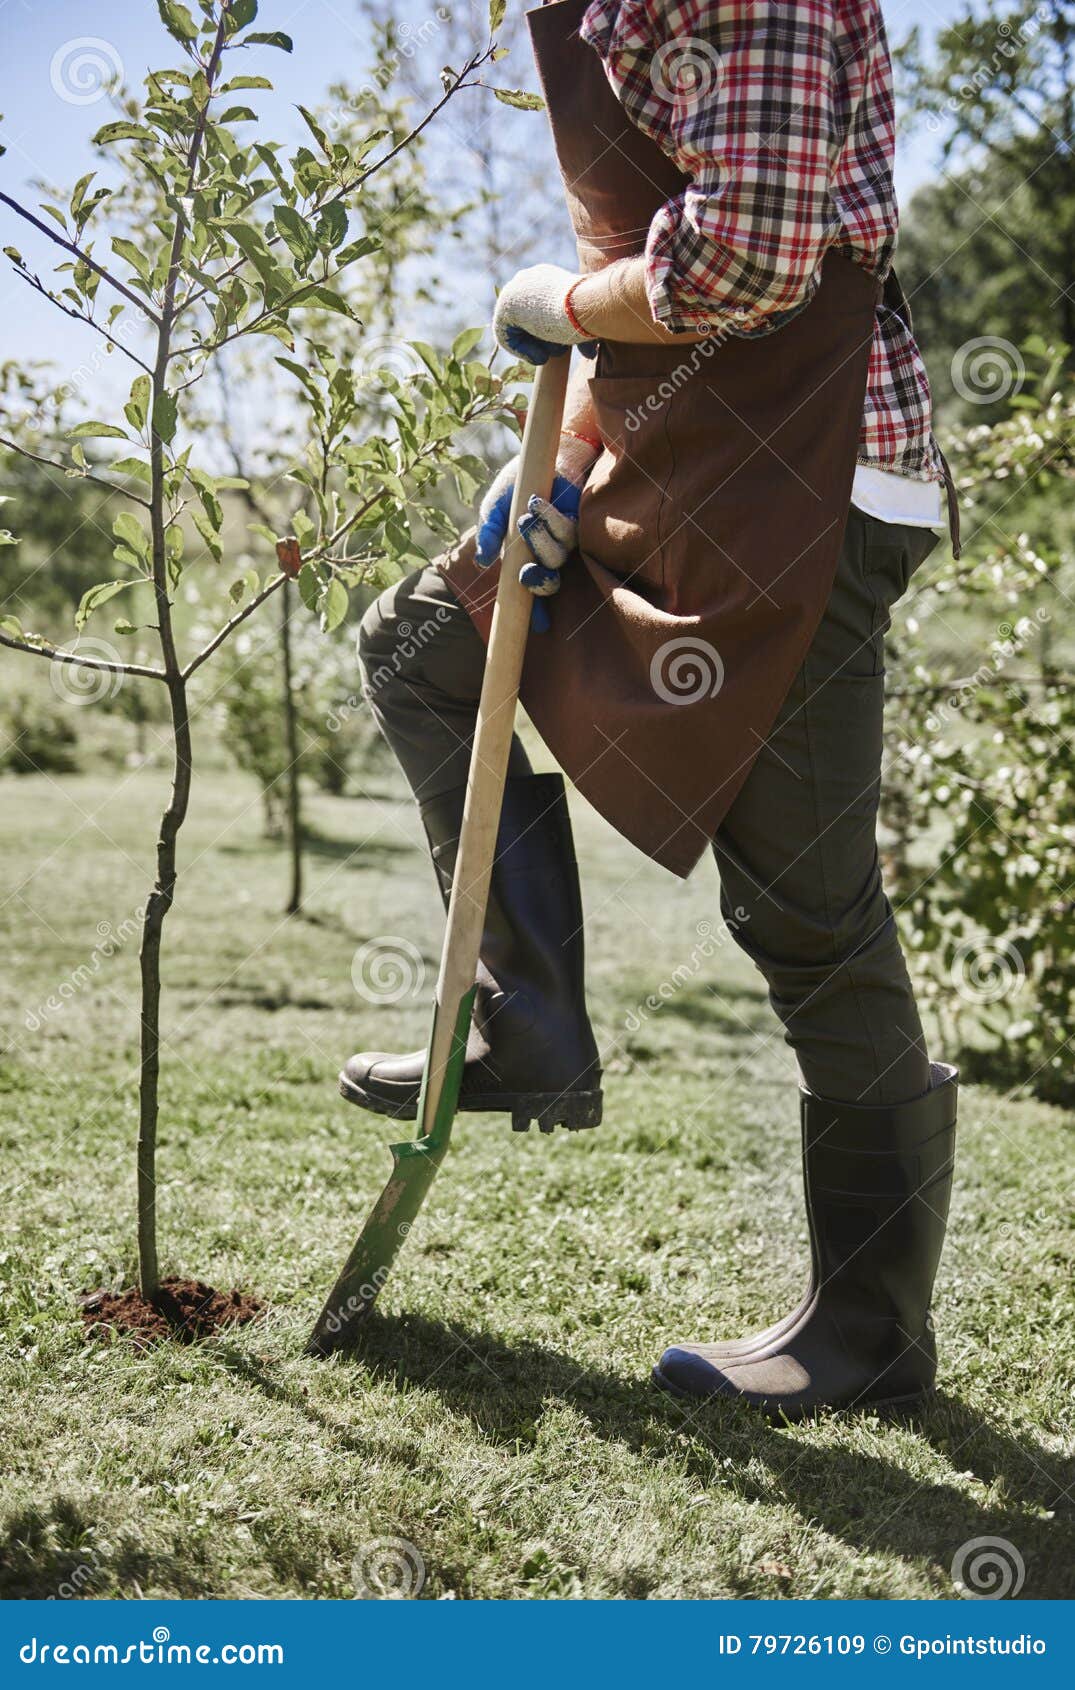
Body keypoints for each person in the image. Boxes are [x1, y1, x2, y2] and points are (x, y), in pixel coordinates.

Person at [344, 0, 959, 1417]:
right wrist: (560, 463)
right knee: (427, 646)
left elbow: (746, 249)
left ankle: (870, 1331)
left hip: (810, 477)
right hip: (660, 443)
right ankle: (529, 1022)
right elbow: (647, 253)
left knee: (805, 911)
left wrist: (557, 304)